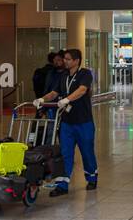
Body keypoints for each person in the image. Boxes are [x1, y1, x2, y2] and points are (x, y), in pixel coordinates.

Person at [35, 47, 96, 196]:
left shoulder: (85, 74)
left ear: (76, 61)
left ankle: (92, 177)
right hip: (67, 122)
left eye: (68, 59)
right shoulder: (63, 76)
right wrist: (42, 99)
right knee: (65, 153)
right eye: (65, 59)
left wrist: (67, 99)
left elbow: (82, 90)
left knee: (86, 151)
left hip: (84, 121)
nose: (65, 62)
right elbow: (54, 92)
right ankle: (62, 184)